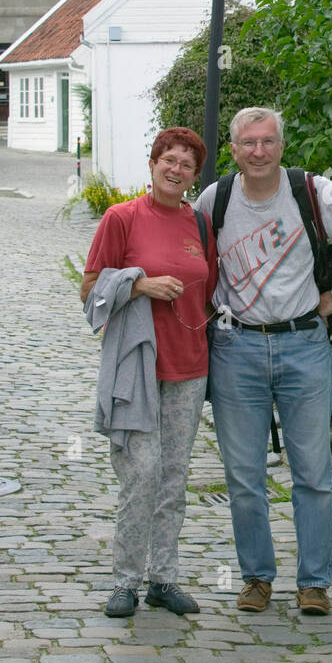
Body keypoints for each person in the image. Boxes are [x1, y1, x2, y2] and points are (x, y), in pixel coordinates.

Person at [196, 107, 332, 616]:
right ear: (234, 150)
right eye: (247, 143)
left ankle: (314, 585)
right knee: (243, 476)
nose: (258, 151)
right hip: (235, 348)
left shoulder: (314, 192)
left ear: (281, 146)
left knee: (312, 472)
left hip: (303, 344)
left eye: (267, 141)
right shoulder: (213, 200)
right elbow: (191, 263)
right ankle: (256, 578)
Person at [81, 128, 217, 618]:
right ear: (153, 163)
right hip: (136, 367)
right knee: (141, 473)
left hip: (189, 366)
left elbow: (210, 291)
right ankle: (125, 582)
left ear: (194, 176)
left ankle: (163, 578)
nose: (175, 169)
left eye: (186, 164)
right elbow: (90, 291)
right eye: (168, 159)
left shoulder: (200, 226)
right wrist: (139, 285)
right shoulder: (122, 219)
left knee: (174, 476)